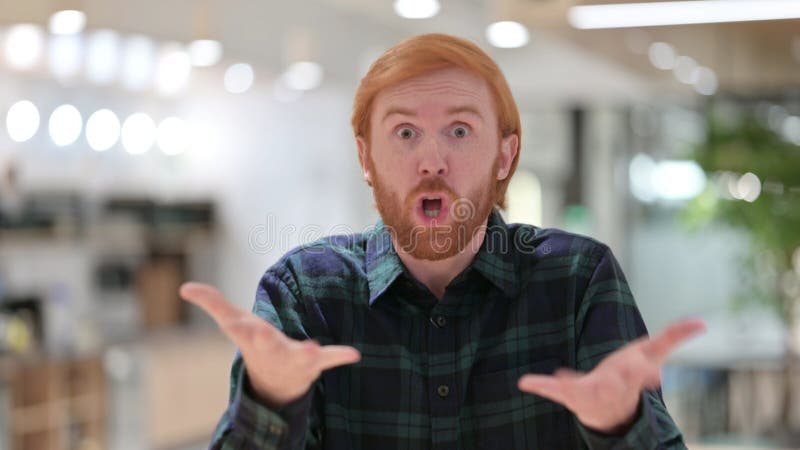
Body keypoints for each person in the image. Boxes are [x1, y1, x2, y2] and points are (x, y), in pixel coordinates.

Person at [180, 33, 705, 450]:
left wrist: (620, 424)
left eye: (459, 130)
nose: (432, 160)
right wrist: (271, 398)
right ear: (366, 157)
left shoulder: (577, 281)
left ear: (505, 154)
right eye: (405, 133)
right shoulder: (304, 294)